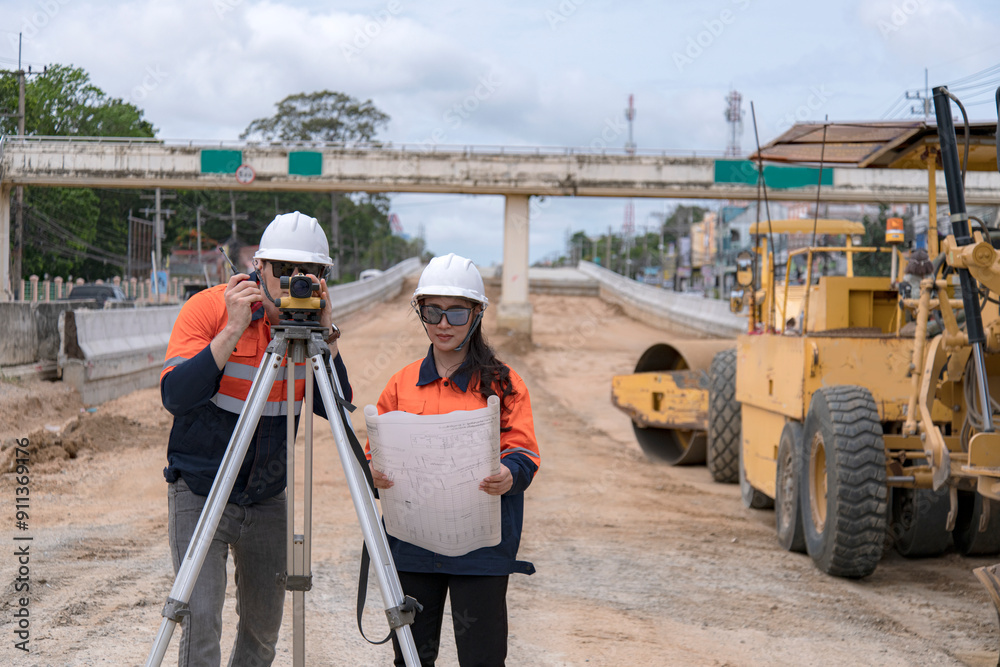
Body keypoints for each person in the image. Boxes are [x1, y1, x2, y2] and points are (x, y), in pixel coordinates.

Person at [159, 211, 350, 667]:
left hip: (267, 497)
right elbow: (176, 395)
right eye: (282, 271)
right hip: (202, 490)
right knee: (200, 623)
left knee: (263, 633)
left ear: (323, 278)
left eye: (309, 273)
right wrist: (232, 328)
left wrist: (328, 336)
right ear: (258, 267)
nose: (294, 282)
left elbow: (335, 411)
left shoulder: (311, 334)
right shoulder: (209, 308)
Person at [369, 253, 540, 667]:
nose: (443, 324)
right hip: (412, 544)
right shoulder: (401, 382)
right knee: (412, 658)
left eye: (457, 313)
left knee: (481, 658)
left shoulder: (503, 382)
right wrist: (375, 472)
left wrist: (509, 474)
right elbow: (377, 451)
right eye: (433, 311)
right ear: (421, 311)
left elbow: (524, 452)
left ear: (477, 314)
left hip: (481, 550)